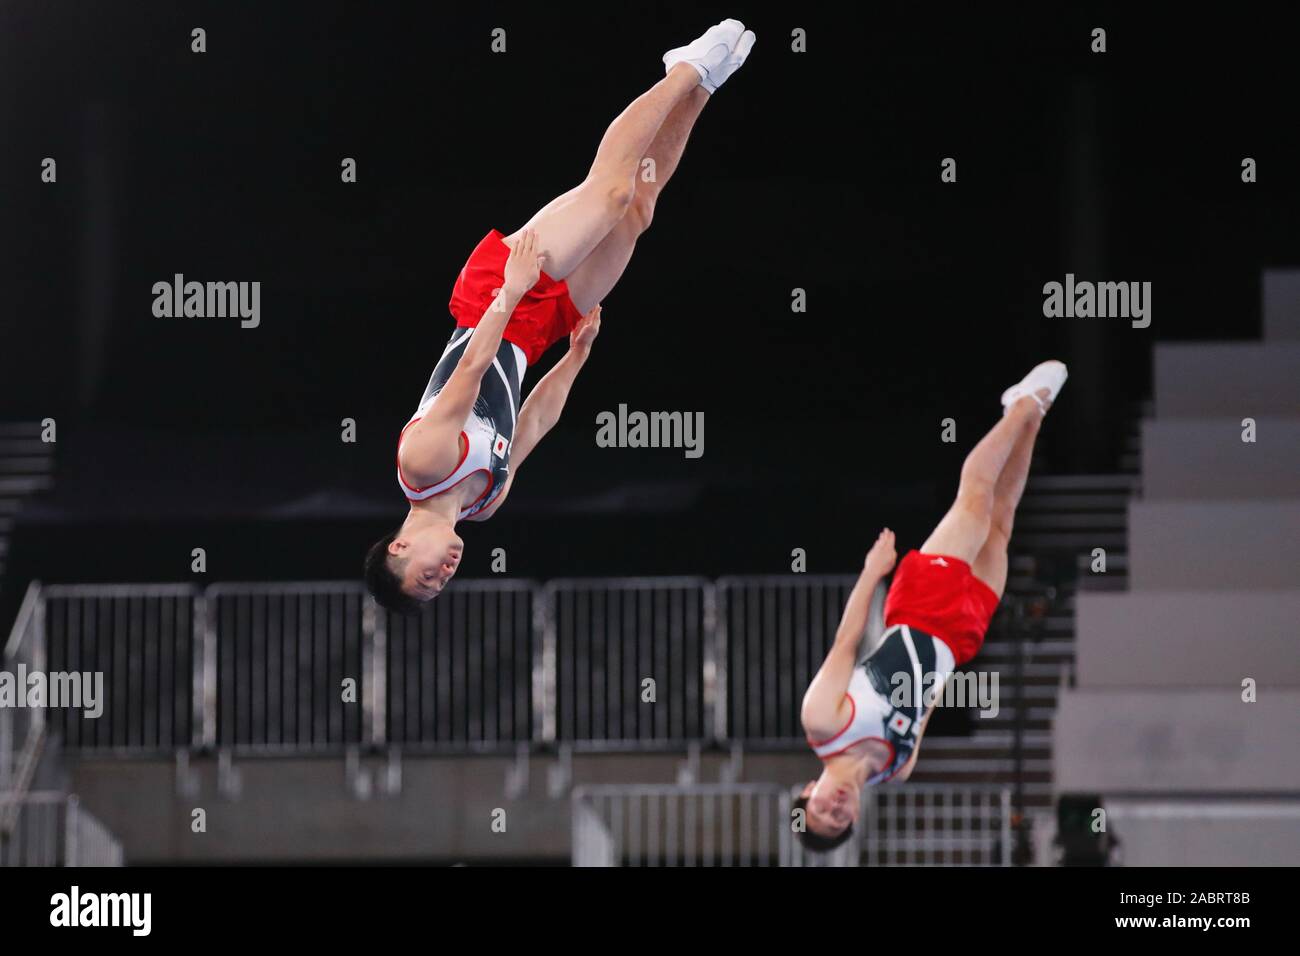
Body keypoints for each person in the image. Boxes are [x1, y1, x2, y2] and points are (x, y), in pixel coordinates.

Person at [364, 20, 757, 611]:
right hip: (534, 338)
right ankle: (704, 88)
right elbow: (534, 422)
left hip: (491, 302)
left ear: (397, 550)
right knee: (639, 211)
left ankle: (686, 67)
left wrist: (513, 288)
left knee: (611, 195)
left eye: (426, 577)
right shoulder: (485, 502)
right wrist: (575, 359)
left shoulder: (422, 466)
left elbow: (471, 371)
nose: (442, 575)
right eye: (440, 587)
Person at [794, 361, 1069, 852]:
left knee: (976, 503)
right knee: (1002, 525)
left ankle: (1019, 407)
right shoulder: (898, 769)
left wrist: (873, 571)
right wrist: (955, 653)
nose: (835, 808)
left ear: (808, 792)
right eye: (839, 820)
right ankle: (1033, 420)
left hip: (918, 609)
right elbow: (928, 700)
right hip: (958, 638)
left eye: (821, 810)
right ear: (854, 816)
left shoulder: (822, 722)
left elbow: (846, 642)